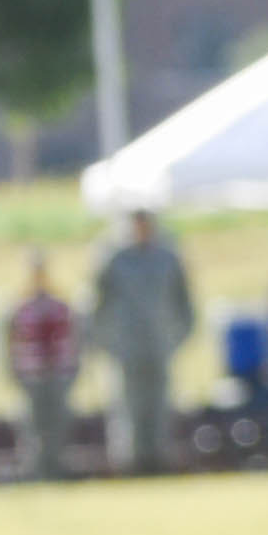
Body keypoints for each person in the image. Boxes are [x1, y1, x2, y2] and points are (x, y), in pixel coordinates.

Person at [90, 205, 195, 478]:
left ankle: (158, 460)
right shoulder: (114, 257)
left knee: (159, 405)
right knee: (128, 406)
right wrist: (104, 342)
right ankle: (130, 463)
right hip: (126, 345)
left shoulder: (168, 256)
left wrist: (178, 338)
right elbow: (95, 304)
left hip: (159, 343)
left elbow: (184, 302)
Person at [2, 249, 84, 481]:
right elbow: (8, 341)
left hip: (58, 372)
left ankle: (58, 468)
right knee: (32, 425)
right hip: (31, 373)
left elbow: (74, 337)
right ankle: (34, 470)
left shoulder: (61, 304)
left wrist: (74, 369)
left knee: (58, 422)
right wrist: (12, 371)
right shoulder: (16, 306)